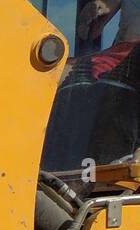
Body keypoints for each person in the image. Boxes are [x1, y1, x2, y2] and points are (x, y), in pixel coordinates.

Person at [44, 0, 140, 173]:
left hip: (131, 61)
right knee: (66, 83)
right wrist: (101, 6)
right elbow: (105, 5)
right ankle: (53, 172)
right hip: (119, 59)